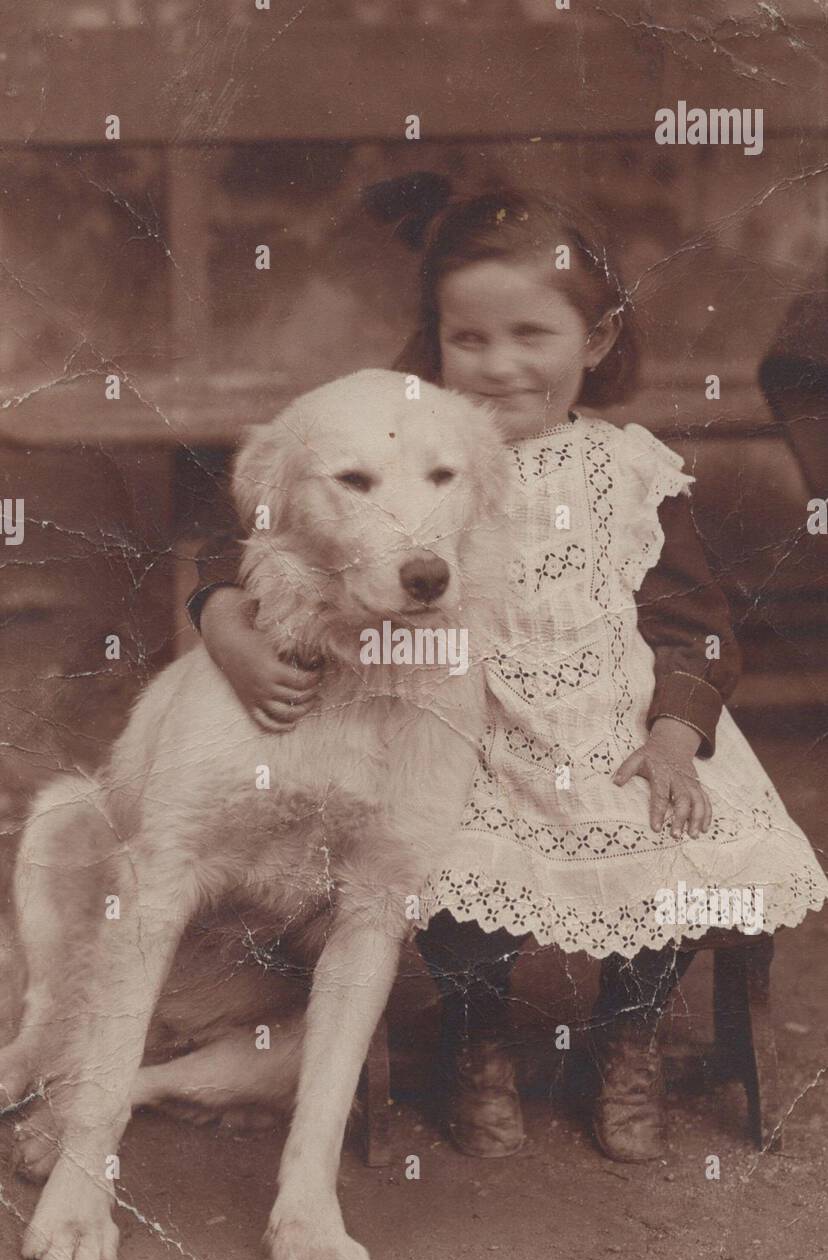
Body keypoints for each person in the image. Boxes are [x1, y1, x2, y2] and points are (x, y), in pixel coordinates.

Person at [185, 173, 828, 1165]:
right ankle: (476, 1032)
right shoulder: (409, 450)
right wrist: (224, 619)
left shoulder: (631, 467)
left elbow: (695, 627)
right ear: (433, 339)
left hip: (618, 727)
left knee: (680, 856)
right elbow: (274, 545)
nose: (500, 366)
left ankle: (630, 1033)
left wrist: (671, 732)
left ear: (599, 340)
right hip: (466, 729)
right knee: (453, 860)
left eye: (534, 336)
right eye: (470, 339)